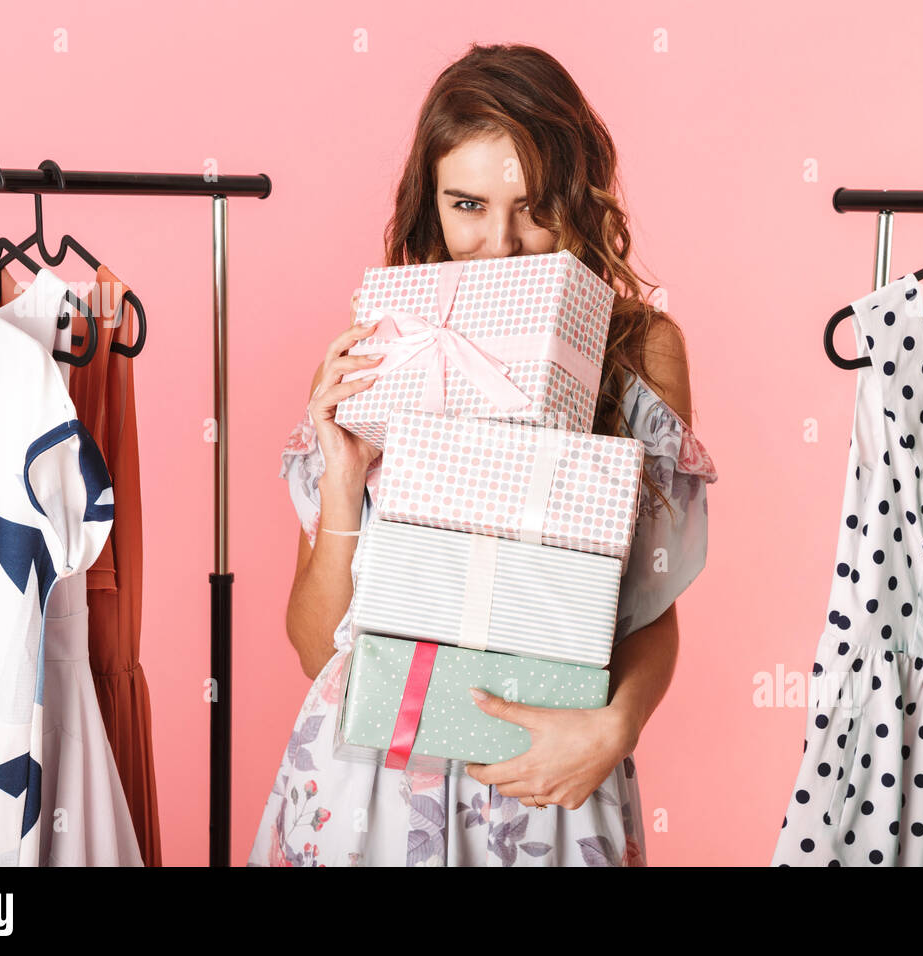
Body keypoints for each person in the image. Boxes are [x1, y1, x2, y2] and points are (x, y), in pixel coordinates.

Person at [249, 42, 717, 867]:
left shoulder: (641, 351)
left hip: (548, 780)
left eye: (535, 209)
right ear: (430, 204)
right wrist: (343, 482)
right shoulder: (387, 344)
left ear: (580, 203)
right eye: (467, 205)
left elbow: (652, 605)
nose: (500, 244)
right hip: (370, 787)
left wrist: (615, 727)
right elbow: (319, 651)